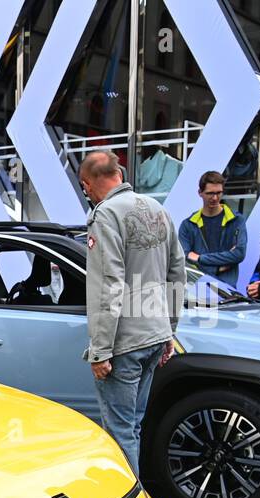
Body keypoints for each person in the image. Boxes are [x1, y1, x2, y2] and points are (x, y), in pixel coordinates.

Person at [78, 150, 185, 477]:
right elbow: (177, 273)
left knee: (119, 432)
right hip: (154, 334)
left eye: (84, 189)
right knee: (133, 427)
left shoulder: (105, 214)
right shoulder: (158, 209)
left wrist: (100, 350)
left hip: (124, 341)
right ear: (119, 174)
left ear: (88, 184)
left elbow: (110, 281)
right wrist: (169, 329)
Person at [177, 171, 246, 288]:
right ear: (200, 193)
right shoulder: (188, 224)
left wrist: (200, 258)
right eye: (210, 193)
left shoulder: (236, 220)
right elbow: (185, 258)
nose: (215, 198)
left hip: (227, 291)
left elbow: (239, 254)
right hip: (198, 290)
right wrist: (219, 267)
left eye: (219, 193)